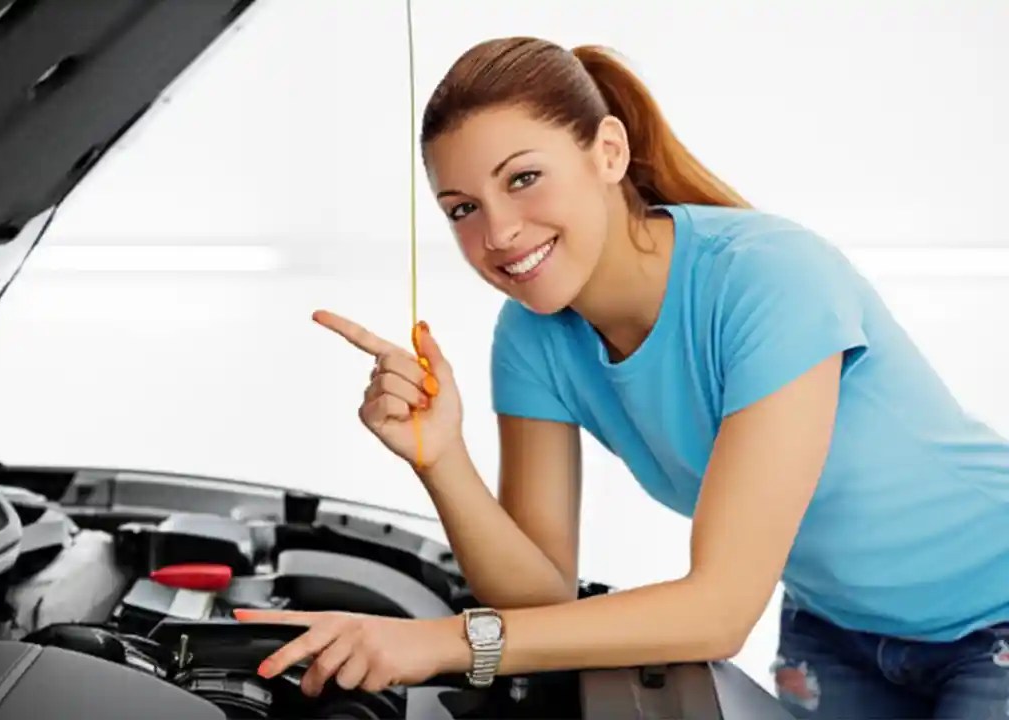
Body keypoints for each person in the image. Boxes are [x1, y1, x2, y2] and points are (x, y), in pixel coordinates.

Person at [234, 36, 1009, 719]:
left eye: (524, 178)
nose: (497, 233)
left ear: (607, 152)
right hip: (837, 631)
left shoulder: (771, 277)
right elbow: (539, 602)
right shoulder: (533, 335)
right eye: (462, 207)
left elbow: (719, 611)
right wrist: (444, 461)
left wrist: (439, 643)